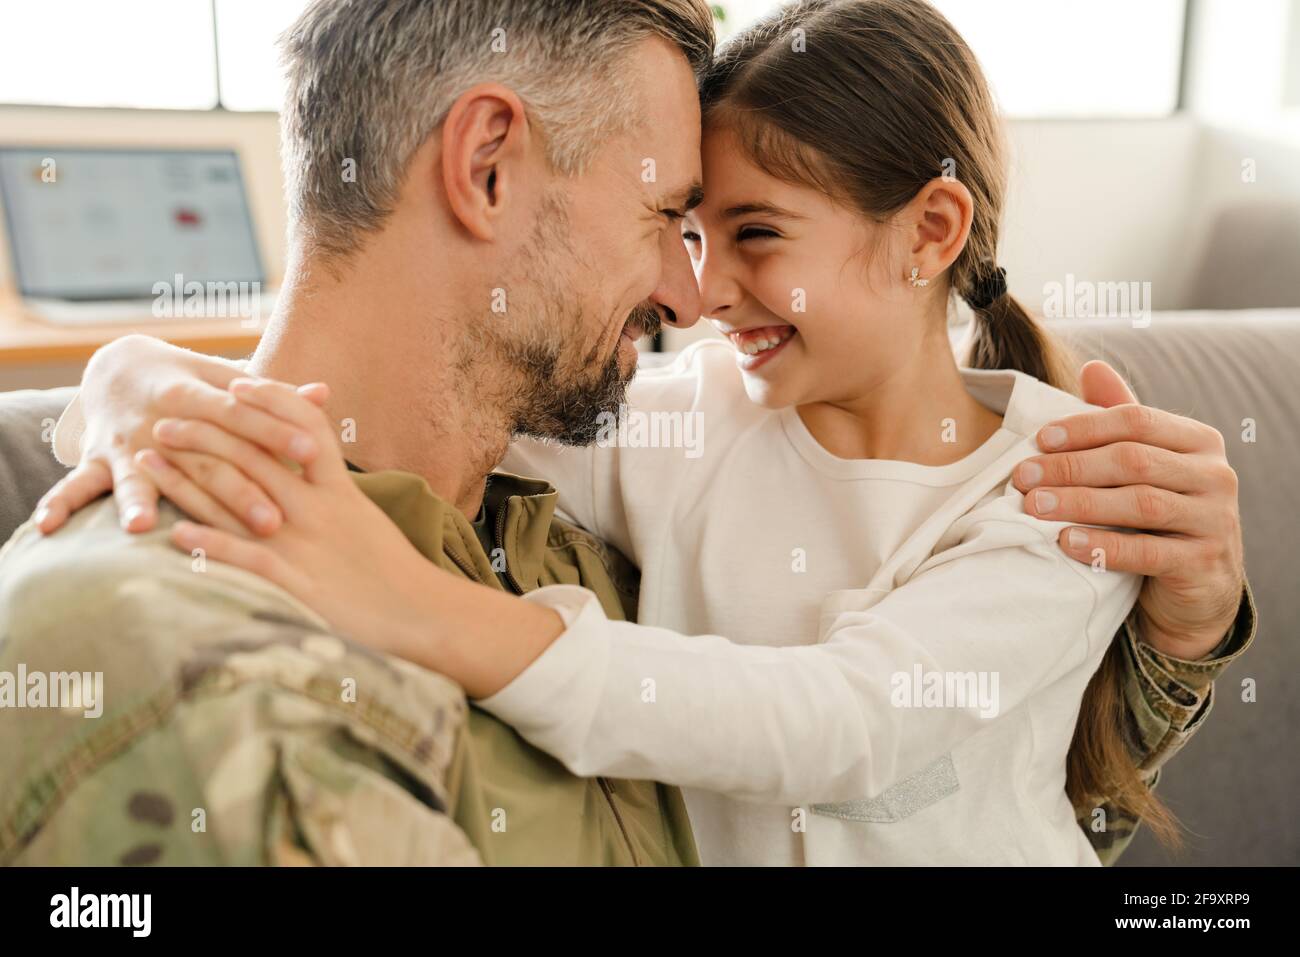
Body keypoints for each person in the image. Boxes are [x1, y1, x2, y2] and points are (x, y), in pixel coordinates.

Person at [17, 0, 1251, 865]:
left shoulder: (1051, 483)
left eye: (739, 233)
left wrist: (1176, 641)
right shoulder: (655, 435)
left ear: (929, 232)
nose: (693, 295)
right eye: (677, 219)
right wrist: (124, 376)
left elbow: (904, 762)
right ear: (488, 166)